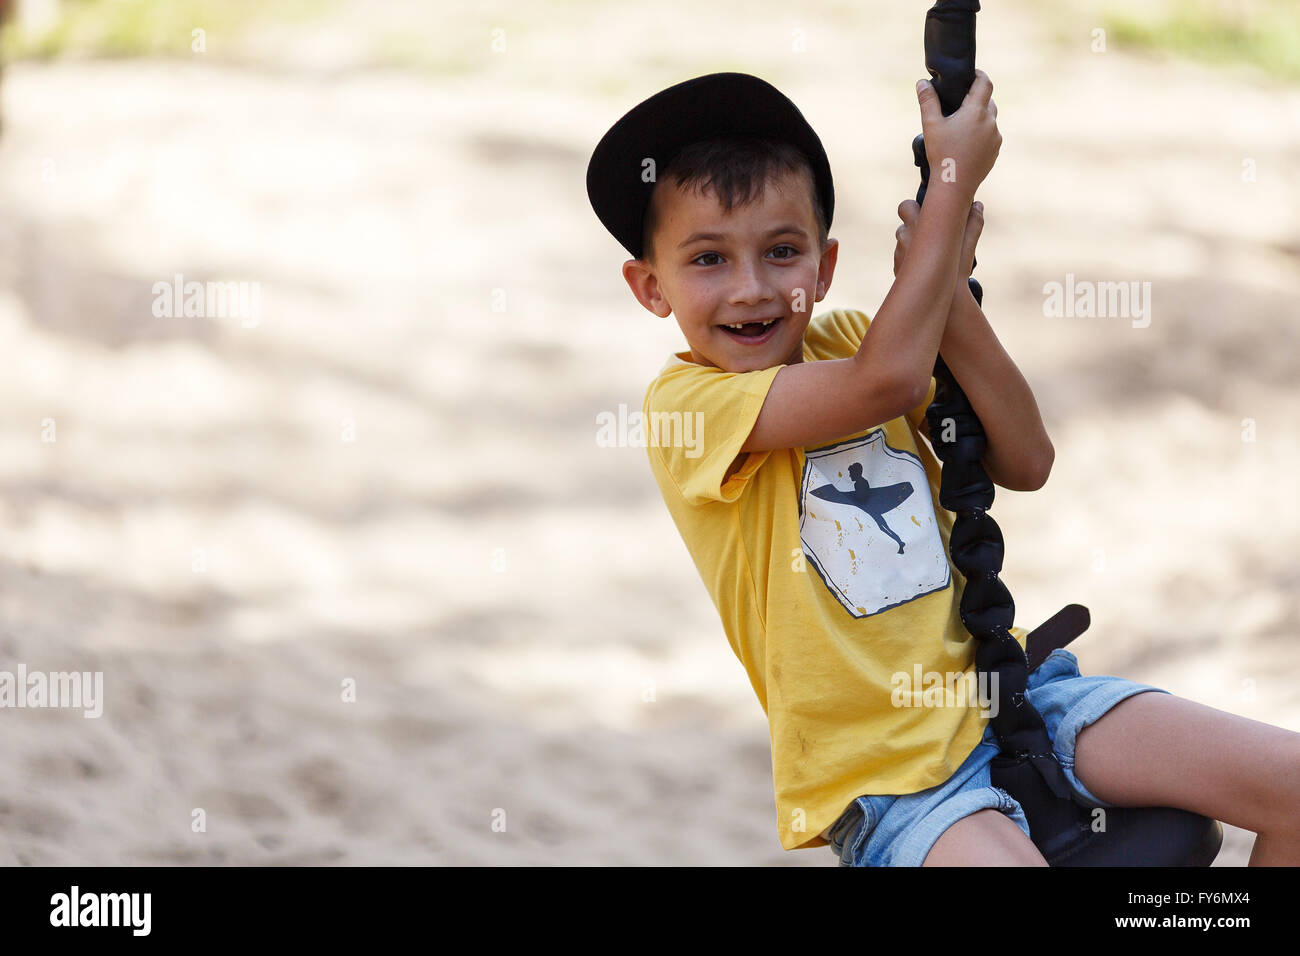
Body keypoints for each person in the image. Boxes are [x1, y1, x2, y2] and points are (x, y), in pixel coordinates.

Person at [585, 70, 1300, 865]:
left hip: (1019, 695)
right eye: (708, 259)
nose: (753, 289)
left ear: (822, 269)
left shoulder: (863, 333)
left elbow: (1026, 458)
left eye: (781, 252)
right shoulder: (688, 407)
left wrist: (948, 294)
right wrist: (950, 192)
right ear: (650, 288)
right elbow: (880, 385)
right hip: (890, 777)